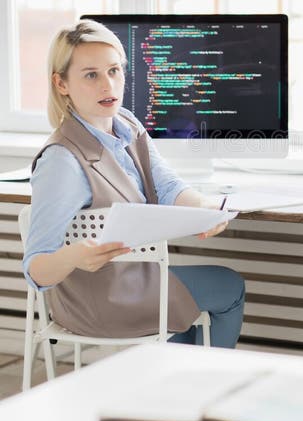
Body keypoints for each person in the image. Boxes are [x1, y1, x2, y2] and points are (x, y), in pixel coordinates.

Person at [24, 19, 245, 347]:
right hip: (99, 300)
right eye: (91, 75)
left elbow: (167, 185)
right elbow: (37, 268)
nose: (107, 85)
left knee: (185, 316)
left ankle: (173, 388)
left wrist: (207, 209)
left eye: (114, 70)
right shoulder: (62, 161)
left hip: (138, 280)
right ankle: (193, 389)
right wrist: (73, 256)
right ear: (61, 84)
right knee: (230, 286)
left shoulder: (126, 122)